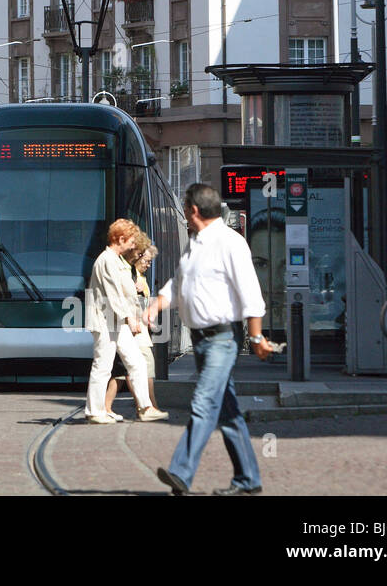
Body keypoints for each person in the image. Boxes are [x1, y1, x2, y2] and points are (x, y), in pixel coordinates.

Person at [145, 183, 272, 496]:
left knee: (203, 403)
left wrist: (255, 336)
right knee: (226, 410)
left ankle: (180, 473)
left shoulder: (230, 242)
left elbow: (251, 295)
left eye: (186, 209)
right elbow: (179, 283)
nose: (185, 215)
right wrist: (155, 305)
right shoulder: (195, 243)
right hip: (202, 340)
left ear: (193, 210)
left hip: (221, 338)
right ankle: (248, 480)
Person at [85, 219, 166, 424]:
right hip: (107, 321)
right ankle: (95, 410)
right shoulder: (107, 260)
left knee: (136, 362)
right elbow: (114, 294)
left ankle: (145, 407)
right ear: (120, 239)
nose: (133, 246)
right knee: (103, 365)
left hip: (115, 321)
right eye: (131, 241)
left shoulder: (113, 260)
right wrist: (130, 318)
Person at [105, 235, 160, 413]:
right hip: (132, 329)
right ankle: (148, 406)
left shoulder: (138, 277)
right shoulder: (126, 273)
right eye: (147, 260)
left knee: (121, 372)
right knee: (144, 367)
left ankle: (106, 407)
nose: (148, 264)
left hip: (136, 328)